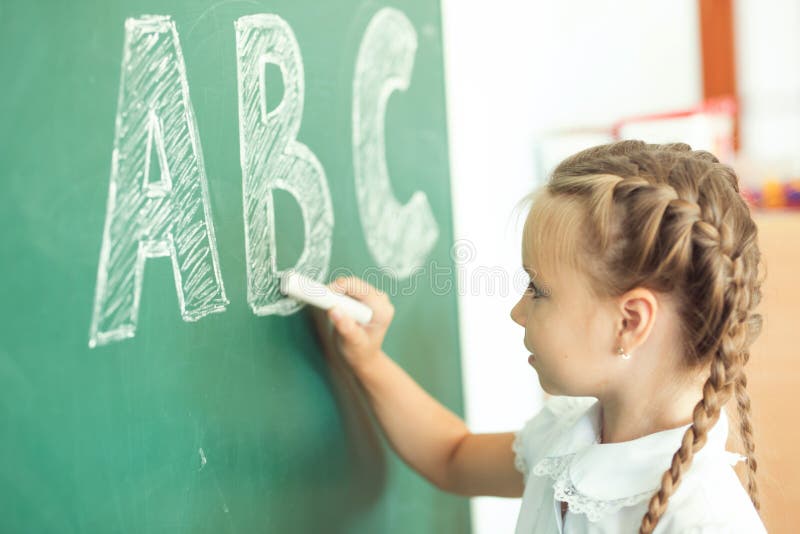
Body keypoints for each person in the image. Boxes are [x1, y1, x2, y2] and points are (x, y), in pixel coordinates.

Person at [312, 140, 767, 533]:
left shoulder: (705, 521)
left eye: (538, 290)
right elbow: (451, 456)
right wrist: (368, 358)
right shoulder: (568, 435)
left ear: (629, 322)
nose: (518, 312)